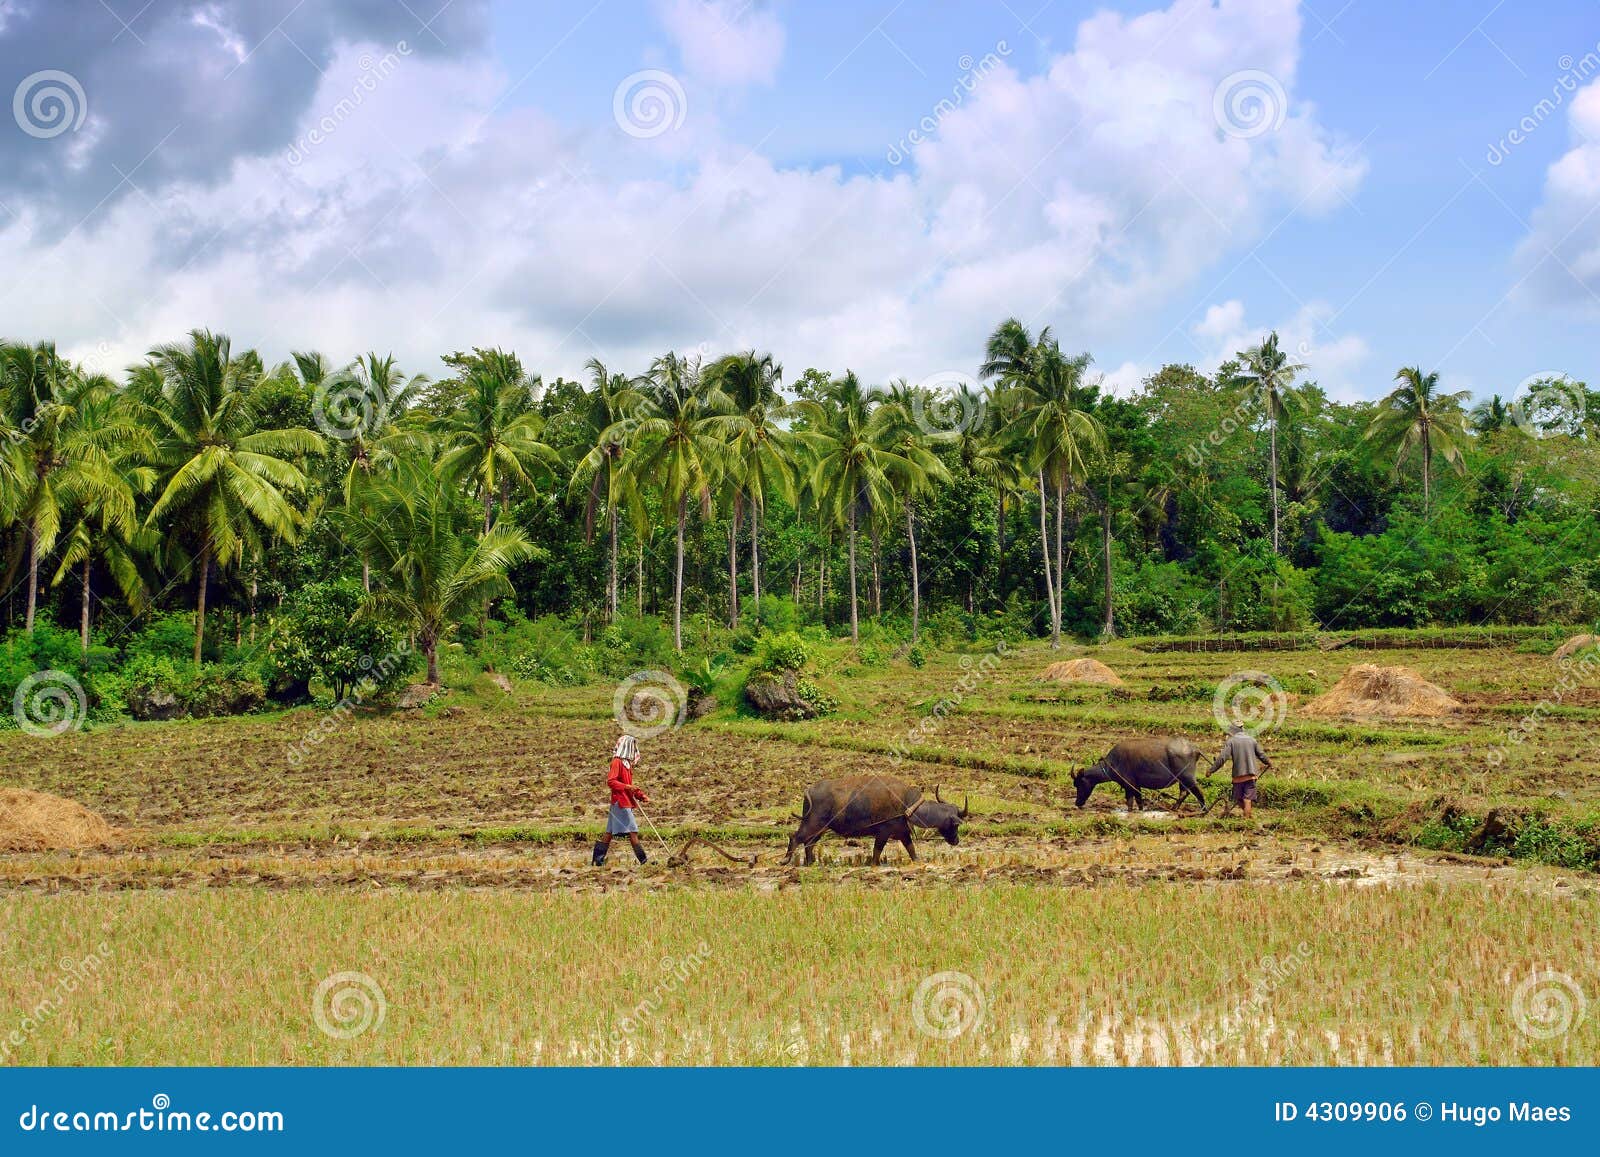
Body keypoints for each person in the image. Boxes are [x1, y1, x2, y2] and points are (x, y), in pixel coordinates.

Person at [593, 734, 650, 865]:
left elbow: (629, 785)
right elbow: (611, 781)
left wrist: (641, 796)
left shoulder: (627, 764)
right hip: (620, 802)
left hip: (624, 801)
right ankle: (644, 861)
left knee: (609, 832)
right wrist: (628, 787)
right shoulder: (617, 762)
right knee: (633, 831)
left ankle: (598, 859)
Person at [1207, 723, 1272, 818]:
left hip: (1238, 776)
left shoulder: (1231, 741)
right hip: (1251, 775)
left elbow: (1222, 758)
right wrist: (1268, 762)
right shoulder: (1252, 740)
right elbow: (1261, 754)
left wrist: (1211, 770)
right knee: (1246, 799)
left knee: (1241, 799)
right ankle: (1248, 816)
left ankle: (1246, 819)